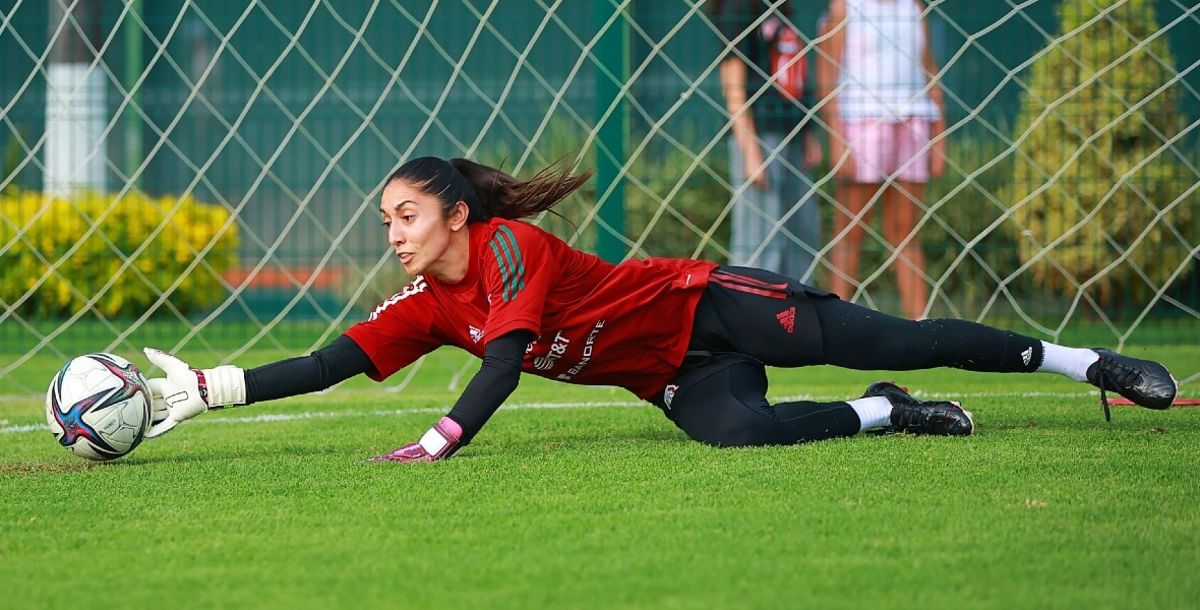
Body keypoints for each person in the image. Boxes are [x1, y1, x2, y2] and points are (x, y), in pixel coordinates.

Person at [142, 157, 1178, 462]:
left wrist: (438, 439)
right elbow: (330, 361)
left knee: (902, 334)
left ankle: (1091, 365)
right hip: (674, 373)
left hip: (712, 305)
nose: (393, 233)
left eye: (405, 215)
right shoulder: (428, 303)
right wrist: (212, 387)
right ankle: (884, 412)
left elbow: (503, 364)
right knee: (738, 436)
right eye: (386, 221)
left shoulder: (510, 247)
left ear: (457, 213)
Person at [817, 0, 945, 319]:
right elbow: (826, 75)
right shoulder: (844, 6)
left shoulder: (914, 7)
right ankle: (837, 321)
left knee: (905, 231)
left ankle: (921, 325)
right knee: (850, 229)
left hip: (913, 121)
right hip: (860, 124)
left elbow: (929, 70)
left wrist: (939, 136)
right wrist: (836, 139)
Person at [711, 0, 823, 281]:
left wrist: (807, 133)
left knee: (802, 231)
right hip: (760, 136)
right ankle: (752, 302)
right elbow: (733, 87)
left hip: (792, 133)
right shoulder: (737, 8)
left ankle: (799, 301)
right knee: (760, 236)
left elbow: (793, 73)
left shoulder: (780, 8)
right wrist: (750, 153)